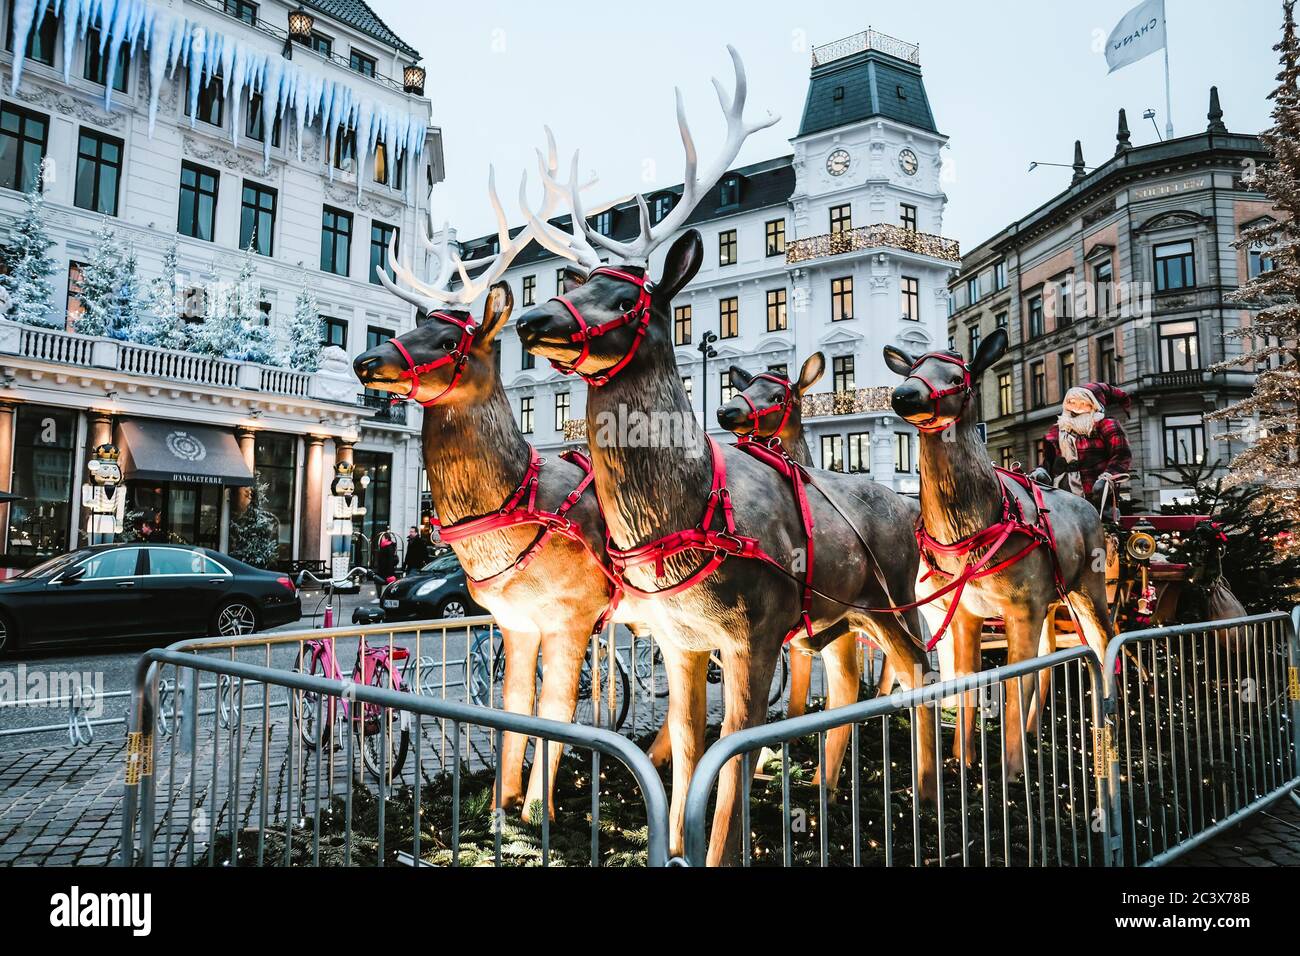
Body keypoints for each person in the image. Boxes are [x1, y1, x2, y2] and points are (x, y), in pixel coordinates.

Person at [1041, 382, 1132, 519]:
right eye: (1072, 402)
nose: (1077, 408)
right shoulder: (1058, 430)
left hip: (1094, 495)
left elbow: (1121, 455)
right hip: (1061, 494)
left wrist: (1107, 478)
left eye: (1083, 403)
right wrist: (1041, 472)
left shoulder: (1106, 425)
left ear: (1094, 405)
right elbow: (1049, 461)